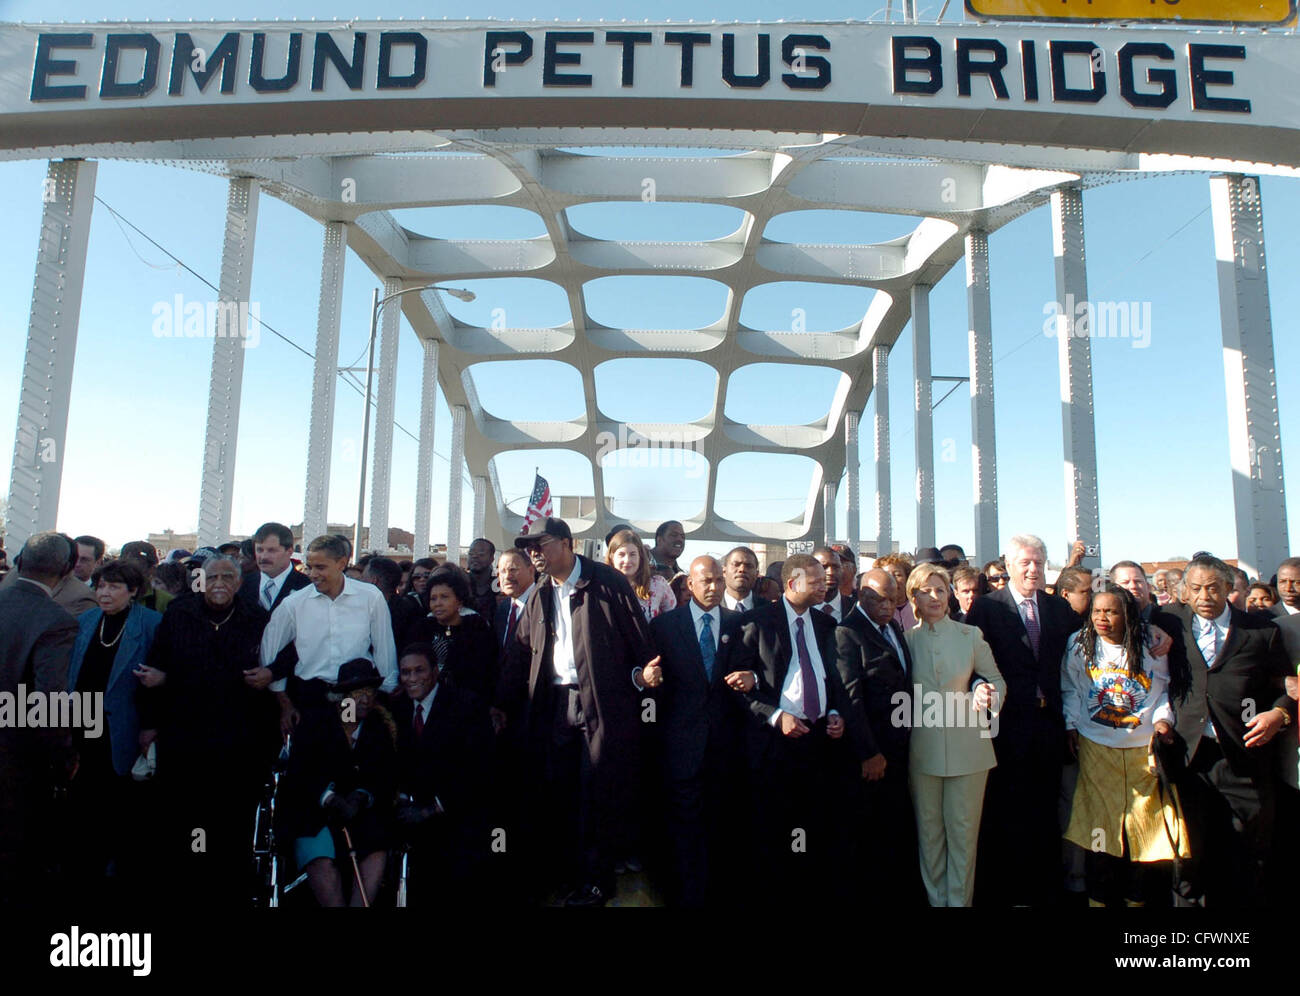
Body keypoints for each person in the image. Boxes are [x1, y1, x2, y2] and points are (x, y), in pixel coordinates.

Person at [499, 517, 658, 906]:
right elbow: (519, 655)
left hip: (602, 705)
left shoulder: (608, 584)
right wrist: (499, 704)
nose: (535, 553)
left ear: (569, 544)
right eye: (530, 547)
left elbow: (641, 645)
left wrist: (642, 680)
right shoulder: (539, 593)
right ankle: (566, 876)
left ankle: (596, 882)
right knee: (559, 790)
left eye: (542, 544)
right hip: (553, 705)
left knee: (596, 792)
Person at [1155, 554, 1293, 908]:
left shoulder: (1261, 630)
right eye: (1197, 588)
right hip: (1187, 757)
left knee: (1245, 850)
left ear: (1229, 589)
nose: (1205, 596)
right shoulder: (1167, 622)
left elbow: (1285, 687)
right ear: (1183, 591)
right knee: (1188, 853)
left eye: (1214, 587)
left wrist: (1278, 714)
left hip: (1244, 758)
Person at [140, 556, 277, 907]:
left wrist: (174, 679)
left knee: (231, 822)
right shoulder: (180, 613)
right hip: (184, 736)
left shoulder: (257, 617)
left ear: (238, 582)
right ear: (200, 580)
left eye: (227, 576)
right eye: (212, 576)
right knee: (185, 816)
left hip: (237, 740)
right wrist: (150, 723)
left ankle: (227, 890)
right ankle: (188, 884)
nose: (219, 582)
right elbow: (154, 669)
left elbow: (265, 671)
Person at [729, 553, 861, 906]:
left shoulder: (826, 625)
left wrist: (835, 711)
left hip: (818, 742)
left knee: (814, 825)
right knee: (774, 830)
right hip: (774, 744)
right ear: (792, 584)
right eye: (815, 581)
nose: (824, 585)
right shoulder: (756, 623)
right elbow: (738, 688)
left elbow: (835, 678)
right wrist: (775, 716)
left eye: (824, 579)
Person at [965, 533, 1083, 907]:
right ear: (1009, 566)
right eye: (1024, 563)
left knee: (1046, 806)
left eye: (1038, 562)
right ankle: (1005, 890)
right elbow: (973, 662)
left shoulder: (1057, 609)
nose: (1033, 570)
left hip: (1049, 724)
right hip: (1006, 725)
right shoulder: (987, 608)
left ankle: (1044, 889)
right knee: (1006, 806)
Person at [1062, 584, 1186, 907]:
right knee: (1099, 833)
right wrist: (1070, 725)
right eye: (1097, 611)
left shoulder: (1151, 645)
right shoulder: (1078, 644)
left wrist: (1163, 722)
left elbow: (1162, 693)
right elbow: (1072, 689)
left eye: (1111, 611)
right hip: (1096, 748)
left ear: (1127, 614)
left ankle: (1136, 898)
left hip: (1140, 750)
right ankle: (1098, 899)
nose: (1102, 618)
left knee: (1141, 832)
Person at [648, 555, 748, 908]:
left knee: (720, 823)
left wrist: (752, 678)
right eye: (705, 580)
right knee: (682, 827)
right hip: (680, 746)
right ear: (689, 584)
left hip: (725, 747)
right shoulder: (665, 627)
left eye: (718, 580)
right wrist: (648, 681)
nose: (714, 587)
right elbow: (653, 685)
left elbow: (757, 671)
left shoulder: (739, 624)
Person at [903, 563, 1004, 907]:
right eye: (925, 590)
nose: (934, 597)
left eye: (941, 590)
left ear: (950, 595)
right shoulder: (904, 641)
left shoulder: (970, 635)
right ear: (912, 596)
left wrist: (987, 693)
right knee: (929, 837)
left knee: (963, 837)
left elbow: (997, 680)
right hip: (922, 752)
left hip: (969, 750)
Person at [66, 558, 163, 903]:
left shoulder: (151, 624)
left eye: (113, 587)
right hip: (84, 722)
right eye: (101, 586)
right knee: (85, 796)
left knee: (121, 799)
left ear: (133, 590)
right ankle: (85, 867)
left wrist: (151, 724)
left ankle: (120, 871)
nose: (104, 593)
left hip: (126, 725)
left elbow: (163, 675)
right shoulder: (86, 621)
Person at [835, 567, 924, 907]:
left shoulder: (893, 629)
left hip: (899, 752)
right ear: (861, 596)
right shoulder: (848, 632)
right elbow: (850, 698)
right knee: (867, 838)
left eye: (893, 599)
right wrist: (868, 752)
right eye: (880, 599)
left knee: (890, 833)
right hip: (870, 757)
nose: (888, 606)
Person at [0, 532, 79, 903]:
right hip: (17, 763)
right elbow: (50, 704)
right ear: (66, 570)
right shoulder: (56, 621)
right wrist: (63, 756)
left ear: (18, 562)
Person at [280, 659, 398, 907]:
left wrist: (361, 795)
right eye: (357, 693)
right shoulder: (315, 724)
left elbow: (384, 776)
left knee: (377, 844)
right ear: (340, 697)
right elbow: (300, 776)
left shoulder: (378, 728)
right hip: (316, 811)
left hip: (360, 812)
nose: (365, 700)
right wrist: (330, 798)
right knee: (320, 854)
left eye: (369, 692)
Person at [261, 534, 398, 737]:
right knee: (313, 762)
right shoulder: (294, 604)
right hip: (311, 698)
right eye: (310, 567)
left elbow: (384, 648)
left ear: (342, 563)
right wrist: (285, 704)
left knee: (349, 753)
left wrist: (384, 693)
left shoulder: (370, 597)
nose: (313, 574)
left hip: (354, 696)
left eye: (321, 567)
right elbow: (269, 652)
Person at [392, 643, 494, 906]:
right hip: (413, 811)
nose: (412, 679)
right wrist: (403, 798)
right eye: (405, 672)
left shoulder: (465, 705)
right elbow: (396, 764)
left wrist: (432, 809)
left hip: (458, 811)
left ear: (435, 672)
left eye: (419, 670)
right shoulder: (398, 709)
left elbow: (478, 769)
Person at [413, 566, 497, 707]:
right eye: (433, 599)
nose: (438, 603)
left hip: (468, 704)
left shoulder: (477, 628)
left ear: (459, 600)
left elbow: (487, 672)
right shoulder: (422, 628)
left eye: (444, 597)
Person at [606, 528, 675, 623]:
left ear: (640, 556)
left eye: (632, 554)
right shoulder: (602, 586)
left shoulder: (658, 584)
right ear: (611, 556)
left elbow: (673, 618)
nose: (627, 560)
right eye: (621, 555)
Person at [361, 556, 424, 658]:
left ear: (374, 581)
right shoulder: (362, 610)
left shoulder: (408, 613)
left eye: (363, 578)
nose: (360, 583)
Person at [120, 541, 173, 615]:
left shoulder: (165, 601)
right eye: (124, 567)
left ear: (152, 569)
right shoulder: (105, 595)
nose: (129, 573)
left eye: (137, 568)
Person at [814, 547, 854, 623]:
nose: (831, 572)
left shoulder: (855, 608)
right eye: (824, 567)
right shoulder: (800, 608)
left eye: (836, 567)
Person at [877, 553, 916, 630]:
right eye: (887, 575)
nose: (892, 580)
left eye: (897, 575)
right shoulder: (877, 610)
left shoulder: (918, 606)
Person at [721, 545, 765, 612]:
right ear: (724, 571)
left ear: (756, 574)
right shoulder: (711, 607)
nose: (742, 569)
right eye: (736, 564)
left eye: (749, 566)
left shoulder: (769, 611)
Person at [464, 538, 500, 622]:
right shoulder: (459, 583)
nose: (475, 556)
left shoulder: (500, 585)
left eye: (481, 554)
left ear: (492, 558)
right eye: (471, 553)